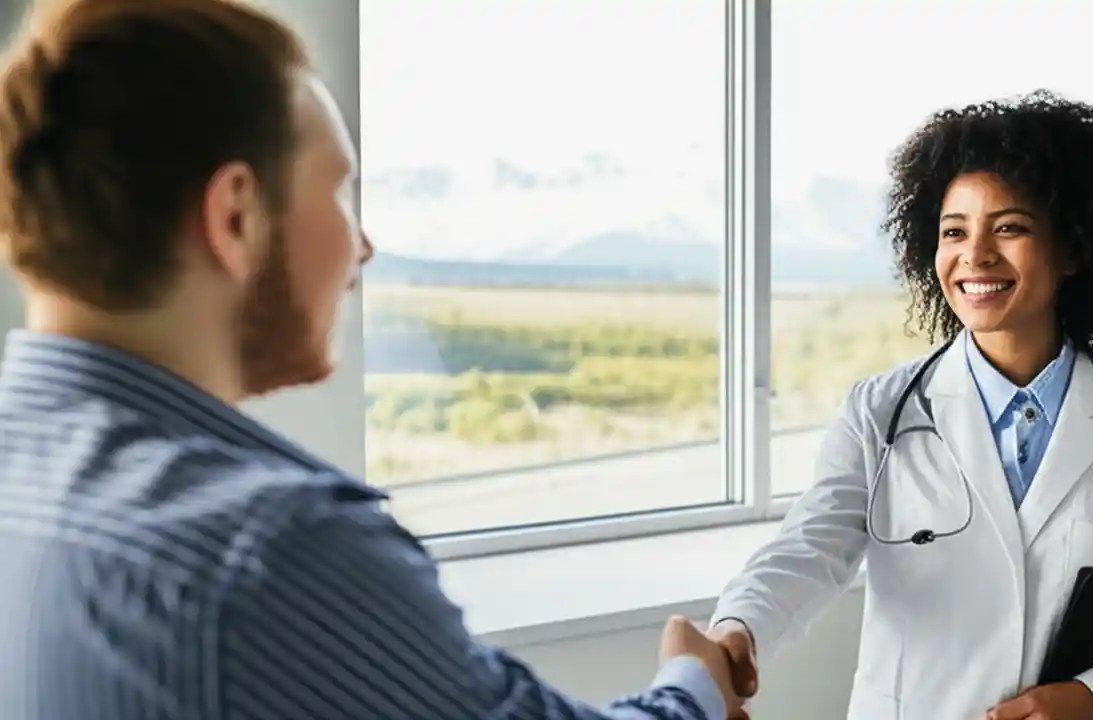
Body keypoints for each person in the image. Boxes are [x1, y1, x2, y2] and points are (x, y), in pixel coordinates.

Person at [0, 1, 742, 718]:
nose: (363, 246)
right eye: (341, 189)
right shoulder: (275, 552)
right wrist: (694, 686)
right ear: (236, 216)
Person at [703, 91, 1093, 719]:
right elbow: (808, 549)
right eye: (954, 231)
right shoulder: (880, 413)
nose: (975, 255)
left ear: (1072, 249)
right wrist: (739, 625)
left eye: (1009, 228)